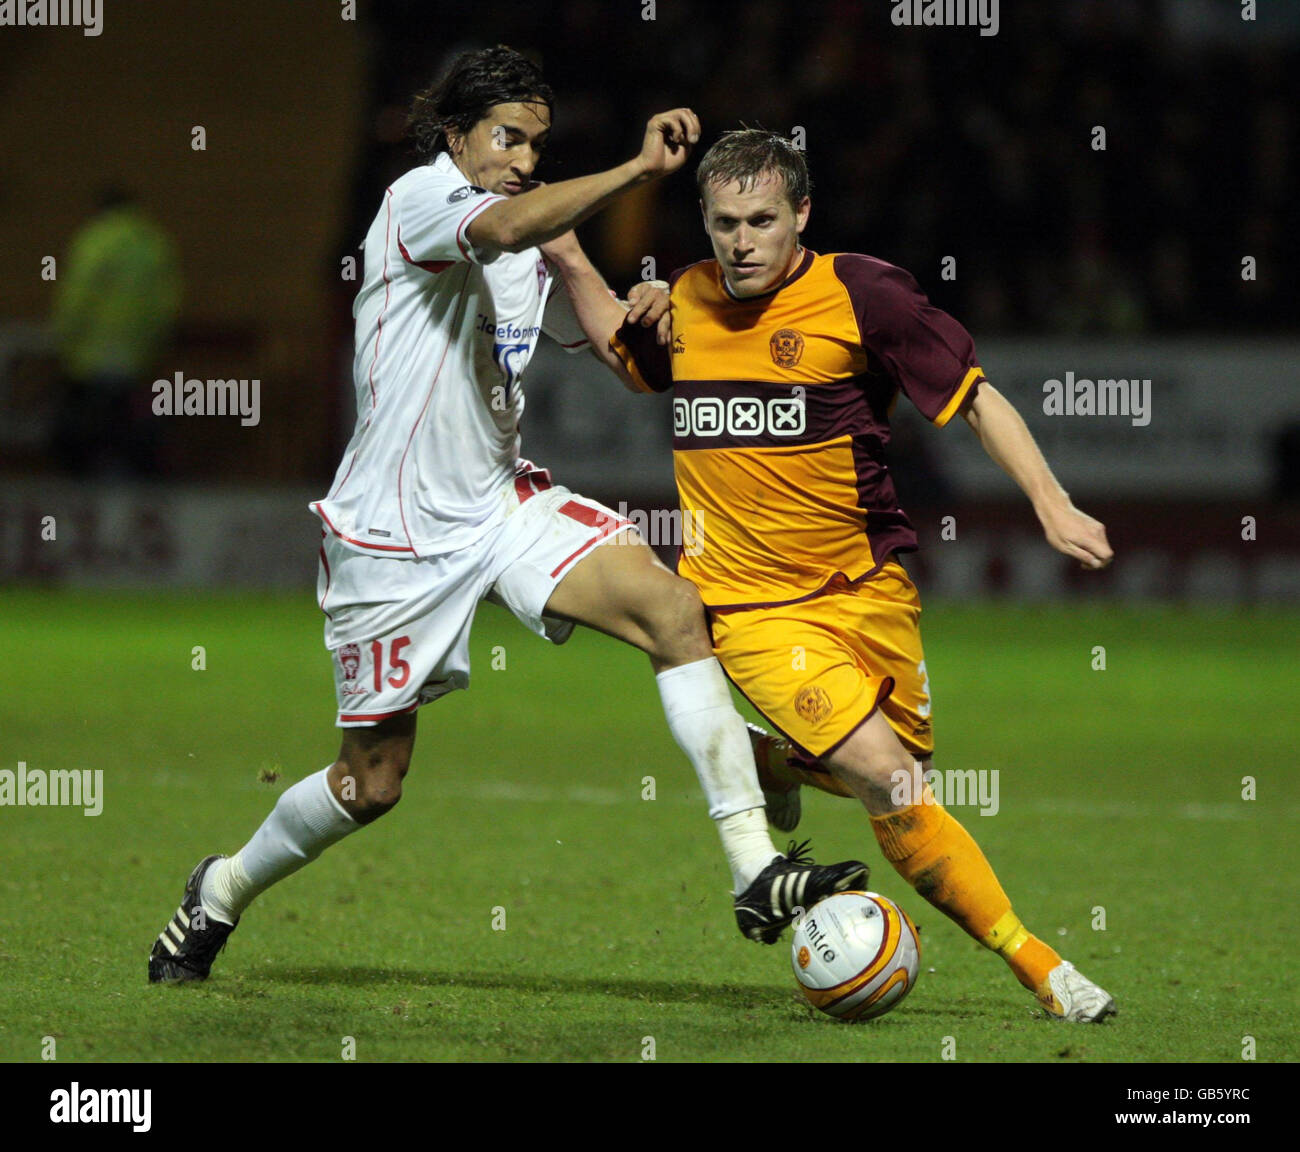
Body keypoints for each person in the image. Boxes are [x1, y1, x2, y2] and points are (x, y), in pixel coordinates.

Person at [148, 51, 866, 984]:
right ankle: (221, 889)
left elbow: (620, 352)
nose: (525, 157)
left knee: (674, 613)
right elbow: (510, 223)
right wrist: (638, 173)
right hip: (393, 539)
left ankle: (754, 872)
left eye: (536, 142)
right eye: (508, 138)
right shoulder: (419, 200)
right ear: (456, 139)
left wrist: (655, 312)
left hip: (499, 504)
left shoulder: (534, 240)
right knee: (371, 784)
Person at [604, 129, 1117, 1022]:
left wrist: (1050, 501)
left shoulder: (861, 294)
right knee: (891, 778)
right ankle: (1043, 968)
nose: (742, 241)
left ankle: (771, 763)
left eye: (763, 219)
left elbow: (975, 393)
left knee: (902, 774)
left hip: (867, 587)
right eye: (724, 223)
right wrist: (601, 278)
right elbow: (620, 352)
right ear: (705, 222)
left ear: (803, 214)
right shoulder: (682, 301)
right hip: (750, 607)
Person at [50, 185, 181, 476]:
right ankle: (128, 476)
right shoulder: (154, 243)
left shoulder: (94, 240)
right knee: (129, 419)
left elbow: (78, 296)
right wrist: (154, 342)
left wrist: (65, 335)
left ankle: (91, 478)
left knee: (90, 424)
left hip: (92, 350)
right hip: (137, 352)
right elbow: (166, 303)